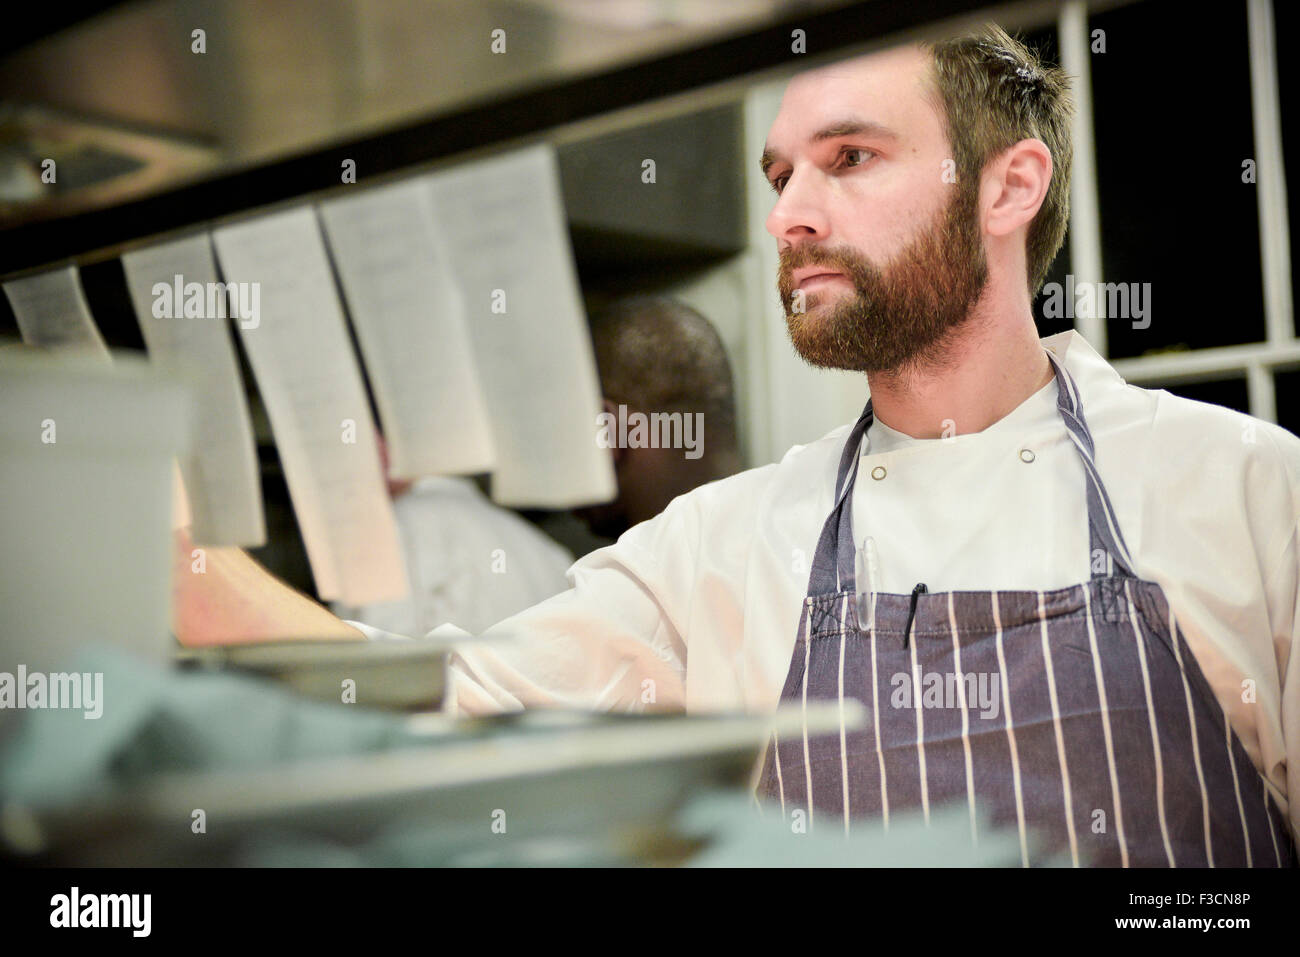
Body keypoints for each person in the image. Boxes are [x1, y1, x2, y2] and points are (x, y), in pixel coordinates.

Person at [174, 26, 1299, 867]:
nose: (787, 216)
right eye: (777, 175)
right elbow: (454, 708)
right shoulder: (717, 546)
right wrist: (176, 557)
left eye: (848, 158)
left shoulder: (1249, 491)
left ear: (1009, 185)